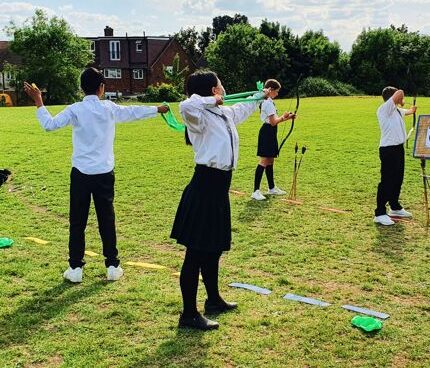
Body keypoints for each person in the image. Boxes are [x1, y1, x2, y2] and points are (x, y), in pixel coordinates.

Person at [23, 68, 169, 283]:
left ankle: (75, 269)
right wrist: (158, 108)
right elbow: (134, 111)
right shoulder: (108, 108)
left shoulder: (76, 109)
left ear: (82, 88)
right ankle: (112, 265)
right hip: (104, 173)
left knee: (77, 222)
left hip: (81, 174)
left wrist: (38, 100)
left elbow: (49, 125)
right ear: (102, 88)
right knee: (106, 220)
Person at [172, 70, 269, 330]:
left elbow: (243, 108)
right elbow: (185, 104)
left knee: (213, 249)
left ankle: (213, 300)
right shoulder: (198, 116)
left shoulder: (224, 114)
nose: (224, 88)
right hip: (203, 188)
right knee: (195, 254)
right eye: (220, 85)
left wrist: (260, 96)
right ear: (213, 90)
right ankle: (188, 314)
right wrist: (209, 101)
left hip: (219, 189)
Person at [373, 86, 416, 226]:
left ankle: (394, 207)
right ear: (391, 98)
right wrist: (402, 100)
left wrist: (412, 110)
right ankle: (379, 213)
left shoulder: (396, 111)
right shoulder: (384, 109)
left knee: (398, 179)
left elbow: (407, 111)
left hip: (398, 148)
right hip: (388, 149)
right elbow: (400, 92)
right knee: (387, 181)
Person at [251, 79, 296, 201]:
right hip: (267, 132)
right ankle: (255, 191)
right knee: (264, 161)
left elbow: (275, 120)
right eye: (276, 91)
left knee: (270, 160)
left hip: (270, 132)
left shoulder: (270, 102)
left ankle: (271, 188)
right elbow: (273, 122)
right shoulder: (267, 103)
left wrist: (287, 117)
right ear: (270, 90)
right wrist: (284, 117)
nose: (277, 94)